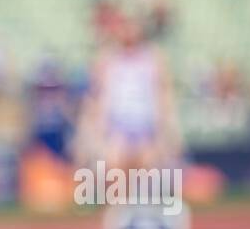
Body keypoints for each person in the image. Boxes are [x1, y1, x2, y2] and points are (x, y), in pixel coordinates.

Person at [75, 9, 181, 172]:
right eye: (124, 26)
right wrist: (93, 127)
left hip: (146, 123)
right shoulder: (107, 59)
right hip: (118, 124)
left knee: (147, 168)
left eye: (132, 26)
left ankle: (139, 196)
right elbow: (96, 95)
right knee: (114, 167)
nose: (128, 31)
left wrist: (167, 125)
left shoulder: (153, 58)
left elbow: (163, 92)